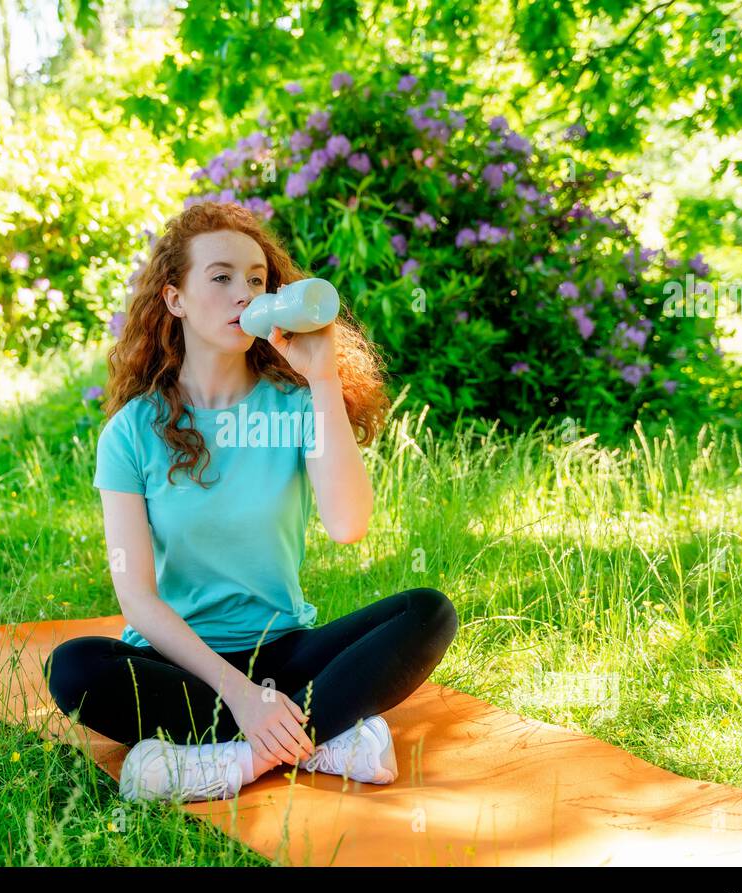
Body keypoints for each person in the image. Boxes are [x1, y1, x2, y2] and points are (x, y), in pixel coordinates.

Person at [44, 201, 459, 803]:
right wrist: (242, 694)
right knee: (75, 668)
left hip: (286, 653)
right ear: (174, 299)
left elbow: (348, 524)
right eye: (221, 277)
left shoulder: (294, 405)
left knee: (428, 613)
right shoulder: (132, 433)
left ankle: (226, 761)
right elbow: (136, 598)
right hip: (182, 665)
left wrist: (320, 379)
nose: (244, 292)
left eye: (257, 280)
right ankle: (321, 741)